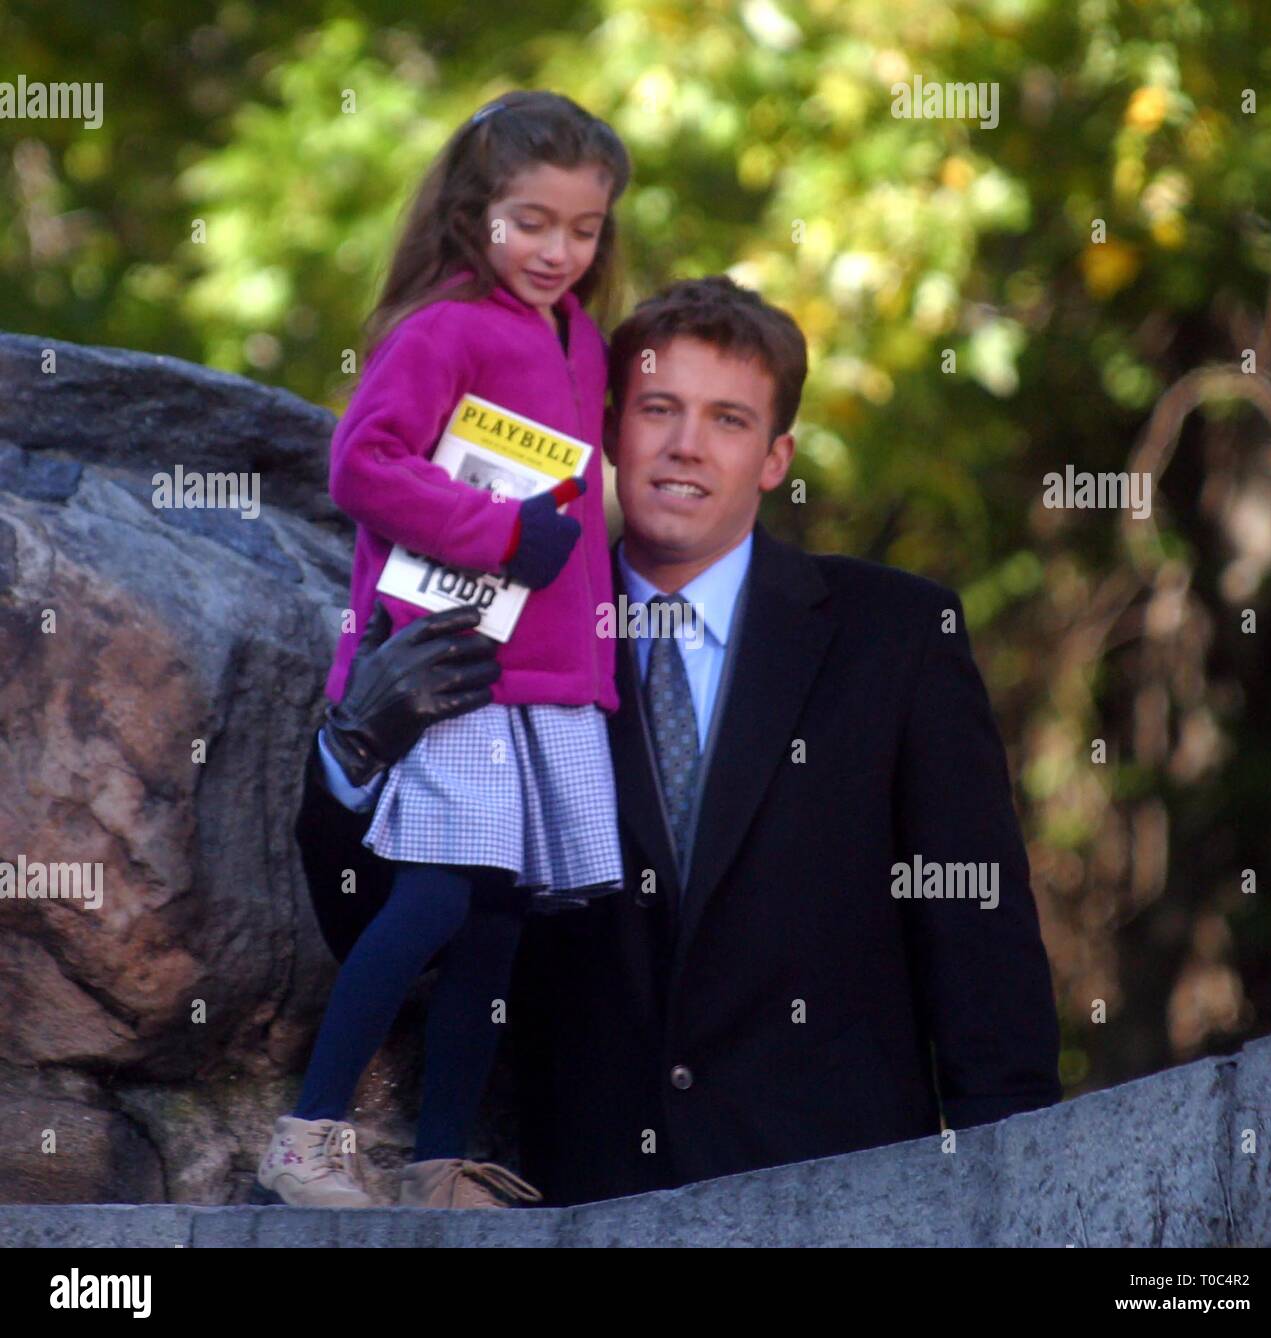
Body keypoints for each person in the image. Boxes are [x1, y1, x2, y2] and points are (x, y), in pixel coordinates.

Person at [298, 274, 1063, 1208]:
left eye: (728, 420)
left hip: (846, 1203)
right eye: (659, 409)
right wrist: (356, 750)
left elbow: (979, 950)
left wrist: (1016, 1194)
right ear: (610, 431)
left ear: (777, 456)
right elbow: (379, 931)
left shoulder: (898, 637)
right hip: (576, 1202)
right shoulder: (495, 627)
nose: (685, 447)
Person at [254, 90, 633, 1210]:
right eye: (531, 221)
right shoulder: (445, 328)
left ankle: (437, 1165)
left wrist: (592, 672)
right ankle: (308, 1137)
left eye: (584, 227)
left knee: (497, 928)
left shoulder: (582, 341)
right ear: (473, 214)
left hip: (549, 682)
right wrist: (506, 533)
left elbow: (582, 523)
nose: (559, 250)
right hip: (455, 671)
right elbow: (363, 463)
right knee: (433, 898)